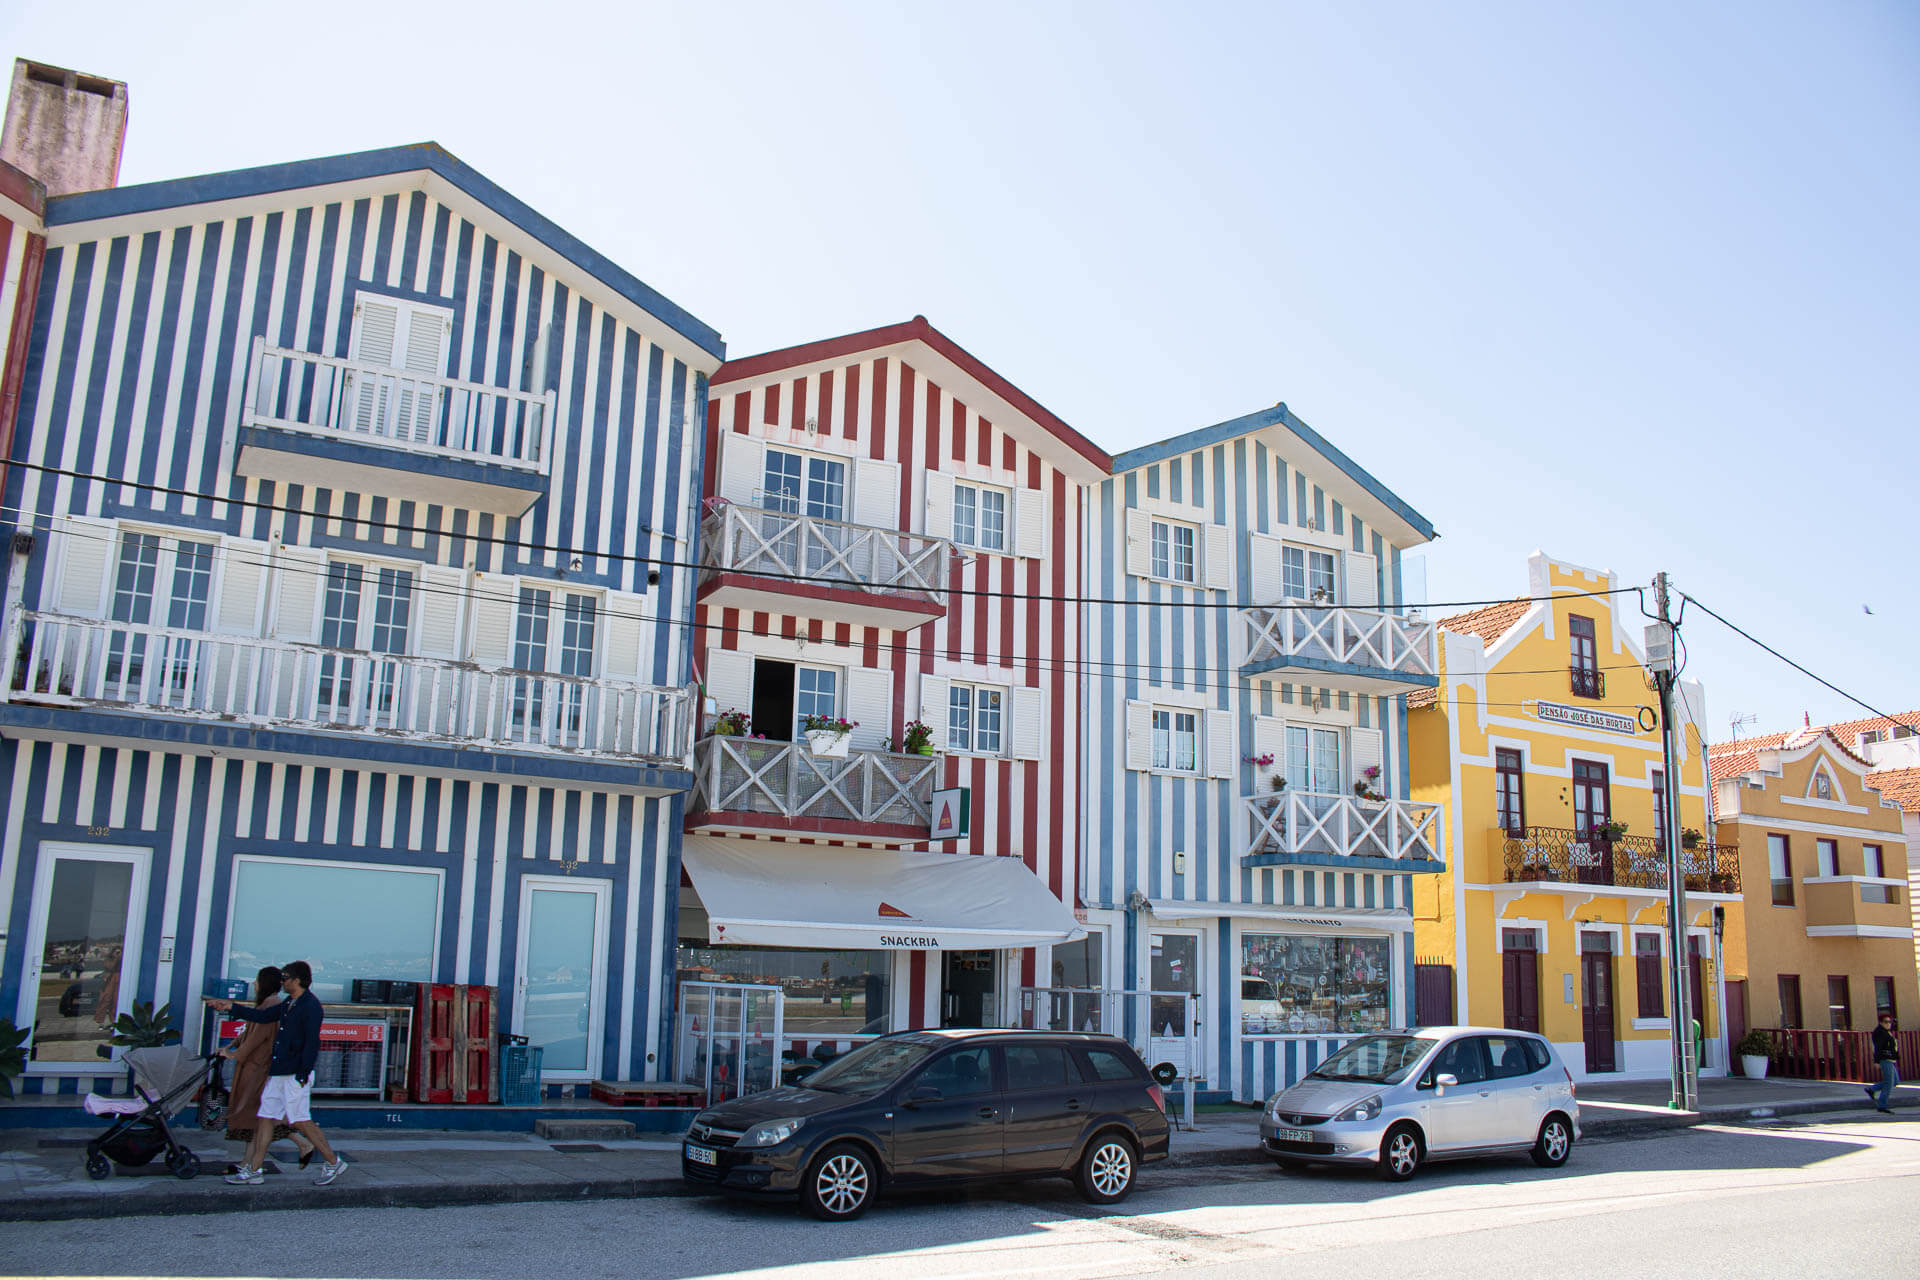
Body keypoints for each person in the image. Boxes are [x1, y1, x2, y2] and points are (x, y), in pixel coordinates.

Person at [204, 960, 348, 1186]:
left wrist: (303, 1073)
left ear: (297, 980)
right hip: (280, 1070)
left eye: (285, 977)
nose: (282, 982)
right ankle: (254, 1169)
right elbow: (263, 1016)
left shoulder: (310, 1006)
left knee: (300, 1120)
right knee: (265, 1118)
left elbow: (312, 1043)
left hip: (294, 1073)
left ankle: (332, 1161)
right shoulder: (291, 1002)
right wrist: (230, 1007)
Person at [218, 966, 315, 1171]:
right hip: (259, 1067)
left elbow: (255, 1038)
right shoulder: (272, 1004)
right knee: (262, 1116)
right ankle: (250, 1163)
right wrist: (231, 1045)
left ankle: (252, 1164)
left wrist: (234, 1054)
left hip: (259, 1069)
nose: (254, 984)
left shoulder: (275, 1004)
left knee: (262, 1116)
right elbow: (250, 1029)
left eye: (257, 980)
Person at [1867, 1011, 1900, 1114]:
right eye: (1886, 1022)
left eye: (1890, 1022)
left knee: (1895, 1081)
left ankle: (1872, 1089)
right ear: (1880, 1022)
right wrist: (1876, 1061)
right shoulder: (1880, 1033)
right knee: (1889, 1083)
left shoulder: (1886, 1031)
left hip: (1889, 1059)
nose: (1888, 1023)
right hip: (1885, 1059)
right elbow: (1878, 1048)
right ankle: (1882, 1105)